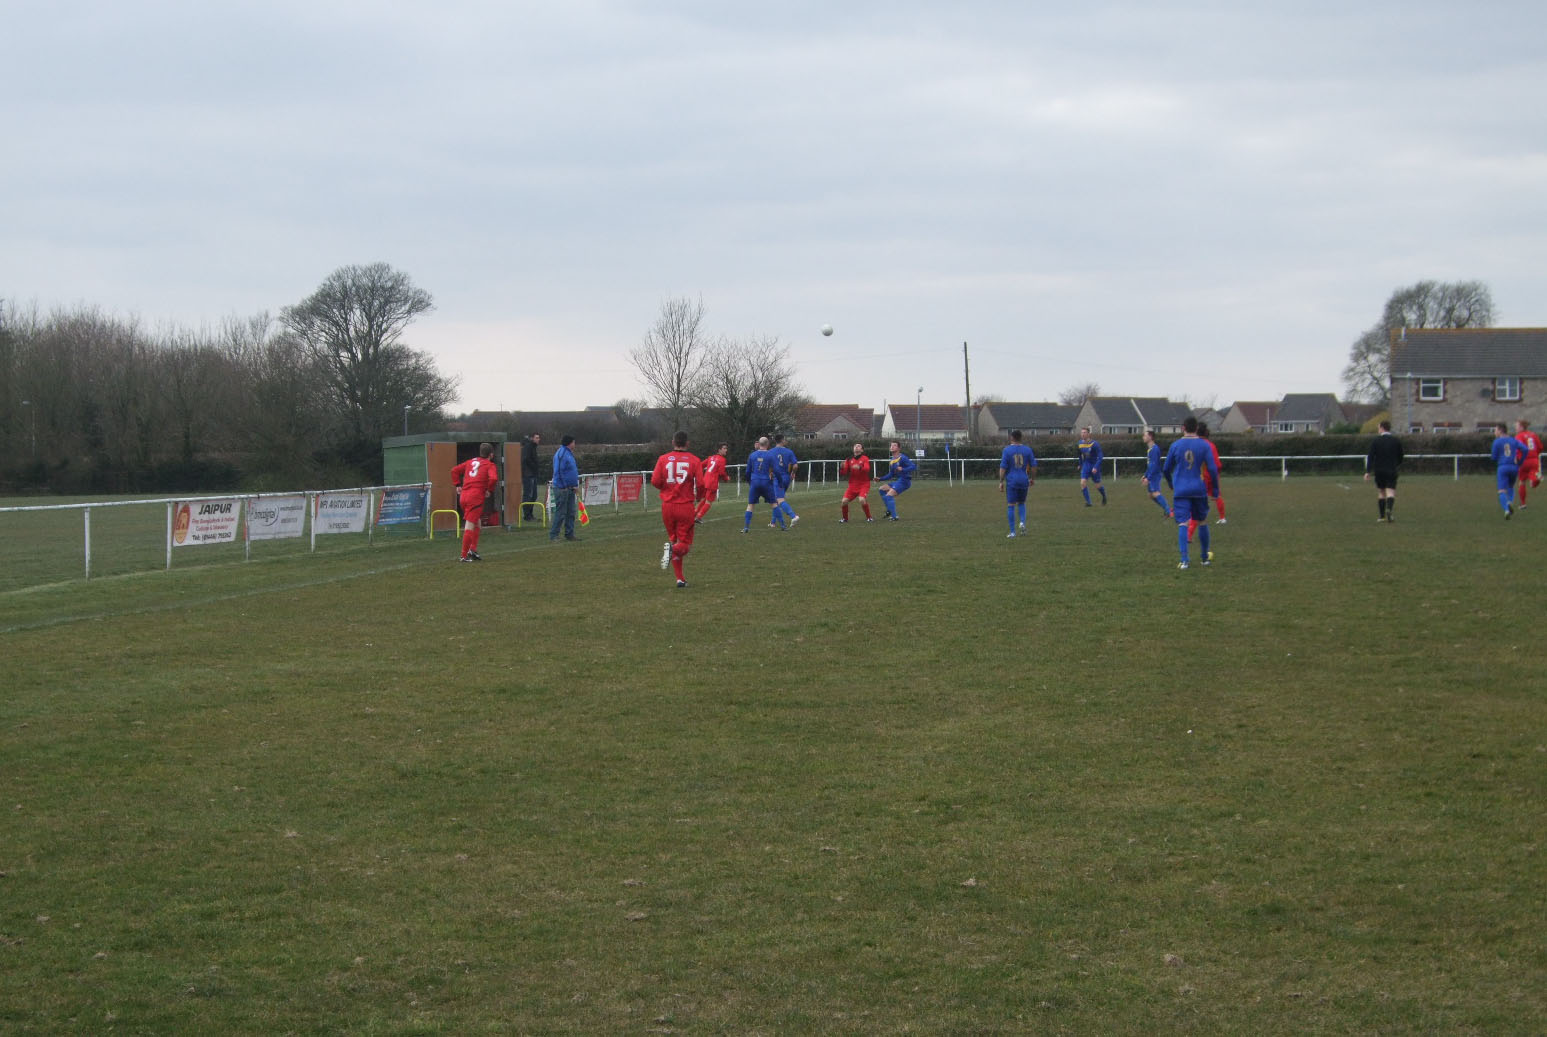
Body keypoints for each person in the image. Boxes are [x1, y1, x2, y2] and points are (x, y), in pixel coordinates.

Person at [1163, 416, 1220, 569]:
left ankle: (1184, 560)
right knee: (1202, 521)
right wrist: (1215, 489)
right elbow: (1213, 469)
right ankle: (1204, 558)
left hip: (1181, 489)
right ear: (1196, 428)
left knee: (1183, 523)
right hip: (1199, 489)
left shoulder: (1175, 445)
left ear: (1183, 428)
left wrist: (1170, 483)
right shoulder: (1204, 445)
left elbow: (1166, 468)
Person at [651, 431, 701, 588]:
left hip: (667, 507)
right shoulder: (694, 460)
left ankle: (680, 579)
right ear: (688, 443)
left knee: (674, 540)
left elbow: (655, 481)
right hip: (685, 506)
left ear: (673, 442)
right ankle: (672, 549)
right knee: (684, 545)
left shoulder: (663, 459)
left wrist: (665, 488)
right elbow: (700, 484)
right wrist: (698, 496)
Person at [451, 442, 500, 561]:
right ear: (491, 455)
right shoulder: (489, 465)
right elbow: (493, 478)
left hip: (464, 496)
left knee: (477, 523)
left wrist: (457, 484)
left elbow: (454, 470)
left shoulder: (470, 462)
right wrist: (489, 489)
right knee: (470, 524)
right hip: (475, 497)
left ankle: (472, 550)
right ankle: (463, 556)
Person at [997, 429, 1037, 537]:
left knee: (1011, 505)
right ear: (1021, 438)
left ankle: (1012, 532)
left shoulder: (1007, 450)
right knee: (1022, 503)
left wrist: (1001, 481)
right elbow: (1033, 466)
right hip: (1024, 480)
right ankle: (1022, 523)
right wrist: (1032, 478)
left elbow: (1003, 468)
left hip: (1012, 480)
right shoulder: (1028, 450)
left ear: (1011, 438)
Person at [1364, 419, 1404, 522]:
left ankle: (1382, 517)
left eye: (1378, 428)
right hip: (1391, 470)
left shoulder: (1376, 441)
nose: (1378, 430)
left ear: (1382, 428)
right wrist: (1396, 464)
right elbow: (1401, 456)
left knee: (1381, 492)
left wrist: (1368, 471)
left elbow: (1371, 457)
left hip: (1379, 471)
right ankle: (1389, 509)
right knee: (1390, 492)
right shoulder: (1396, 441)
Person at [742, 437, 784, 532]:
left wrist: (750, 481)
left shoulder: (752, 455)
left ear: (759, 444)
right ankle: (783, 526)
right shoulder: (770, 455)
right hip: (766, 482)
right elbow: (776, 471)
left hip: (755, 481)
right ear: (767, 444)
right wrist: (780, 482)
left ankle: (746, 527)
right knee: (774, 503)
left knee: (750, 505)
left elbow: (748, 471)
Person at [548, 434, 581, 541]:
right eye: (574, 442)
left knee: (571, 512)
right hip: (562, 488)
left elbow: (570, 470)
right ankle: (554, 535)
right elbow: (559, 471)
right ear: (570, 443)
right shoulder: (562, 454)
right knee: (561, 512)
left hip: (570, 488)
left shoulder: (569, 453)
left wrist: (574, 485)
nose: (575, 444)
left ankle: (569, 534)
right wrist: (564, 486)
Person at [1491, 423, 1524, 520]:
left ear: (1500, 430)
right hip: (1514, 467)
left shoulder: (1497, 442)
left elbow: (1494, 457)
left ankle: (1506, 510)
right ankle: (1509, 502)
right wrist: (1520, 461)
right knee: (1510, 486)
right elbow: (1525, 449)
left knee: (1501, 491)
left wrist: (1497, 457)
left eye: (1495, 430)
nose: (1494, 432)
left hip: (1503, 467)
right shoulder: (1513, 440)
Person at [878, 441, 916, 521]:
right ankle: (889, 510)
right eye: (891, 445)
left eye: (894, 445)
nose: (892, 447)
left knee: (889, 495)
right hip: (899, 481)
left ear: (898, 448)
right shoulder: (892, 460)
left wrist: (903, 469)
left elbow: (913, 466)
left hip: (905, 481)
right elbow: (891, 474)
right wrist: (880, 479)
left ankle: (895, 517)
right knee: (881, 489)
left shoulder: (903, 457)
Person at [1198, 421, 1227, 523]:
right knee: (1217, 495)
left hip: (1202, 476)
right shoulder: (1211, 445)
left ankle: (1197, 517)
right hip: (1212, 475)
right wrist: (1216, 475)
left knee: (1198, 497)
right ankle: (1222, 518)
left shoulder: (1197, 444)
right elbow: (1218, 464)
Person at [838, 441, 874, 523]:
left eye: (858, 446)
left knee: (861, 499)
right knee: (844, 502)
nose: (856, 447)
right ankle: (845, 519)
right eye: (855, 446)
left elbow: (867, 469)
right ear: (853, 449)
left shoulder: (865, 458)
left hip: (864, 484)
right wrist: (841, 468)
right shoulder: (848, 459)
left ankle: (869, 518)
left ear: (862, 450)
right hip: (852, 485)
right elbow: (844, 473)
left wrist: (860, 467)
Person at [770, 433, 801, 527]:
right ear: (782, 440)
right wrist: (793, 473)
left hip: (777, 478)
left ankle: (793, 516)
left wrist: (769, 473)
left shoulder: (771, 452)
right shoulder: (789, 452)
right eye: (785, 439)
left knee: (779, 499)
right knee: (777, 499)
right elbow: (795, 465)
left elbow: (769, 465)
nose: (786, 441)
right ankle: (773, 522)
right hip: (786, 478)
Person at [694, 443, 729, 524]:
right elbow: (721, 472)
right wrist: (726, 478)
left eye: (726, 448)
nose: (726, 450)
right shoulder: (722, 459)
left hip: (705, 481)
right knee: (709, 501)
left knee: (704, 499)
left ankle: (693, 514)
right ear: (719, 449)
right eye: (724, 448)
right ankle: (698, 517)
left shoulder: (711, 457)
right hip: (712, 483)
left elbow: (700, 465)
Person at [1139, 428, 1171, 518]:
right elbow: (1150, 465)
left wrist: (1148, 478)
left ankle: (1168, 511)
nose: (1143, 437)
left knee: (1155, 493)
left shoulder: (1155, 449)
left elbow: (1154, 465)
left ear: (1150, 437)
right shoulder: (1150, 449)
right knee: (1151, 495)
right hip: (1152, 474)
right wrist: (1145, 475)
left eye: (1145, 435)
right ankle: (1166, 509)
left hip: (1155, 475)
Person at [1515, 419, 1543, 507]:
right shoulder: (1533, 435)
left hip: (1523, 461)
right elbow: (1540, 447)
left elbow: (1518, 449)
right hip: (1534, 460)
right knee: (1533, 478)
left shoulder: (1519, 436)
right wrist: (1535, 455)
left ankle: (1523, 504)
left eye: (1517, 426)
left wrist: (1517, 459)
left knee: (1522, 482)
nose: (1516, 428)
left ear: (1522, 427)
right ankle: (1536, 478)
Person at [1077, 427, 1106, 506]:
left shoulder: (1095, 444)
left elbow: (1100, 457)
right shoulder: (1079, 443)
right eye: (1082, 432)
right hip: (1086, 465)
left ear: (1088, 434)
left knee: (1097, 485)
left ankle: (1104, 496)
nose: (1083, 434)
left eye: (1085, 432)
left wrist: (1096, 467)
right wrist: (1080, 464)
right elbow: (1080, 455)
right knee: (1082, 483)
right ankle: (1089, 503)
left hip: (1094, 465)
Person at [520, 432, 541, 522]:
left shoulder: (533, 447)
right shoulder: (528, 446)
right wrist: (533, 466)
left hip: (533, 474)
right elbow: (525, 459)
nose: (538, 439)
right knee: (528, 495)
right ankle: (527, 516)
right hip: (528, 475)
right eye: (537, 437)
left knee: (534, 495)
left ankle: (530, 514)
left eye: (539, 438)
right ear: (532, 438)